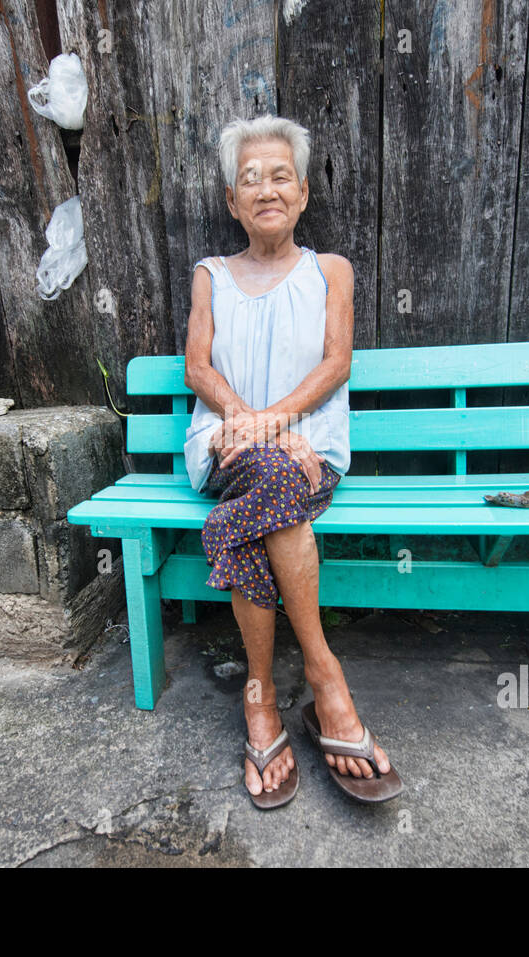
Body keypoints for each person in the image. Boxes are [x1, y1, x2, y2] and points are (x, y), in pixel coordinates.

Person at [183, 115, 402, 808]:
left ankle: (263, 698)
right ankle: (326, 678)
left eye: (280, 176)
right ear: (231, 201)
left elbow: (336, 363)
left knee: (275, 484)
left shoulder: (330, 271)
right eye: (250, 179)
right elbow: (197, 368)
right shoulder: (211, 275)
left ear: (304, 193)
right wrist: (249, 426)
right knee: (277, 478)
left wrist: (272, 426)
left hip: (311, 448)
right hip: (228, 446)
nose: (266, 189)